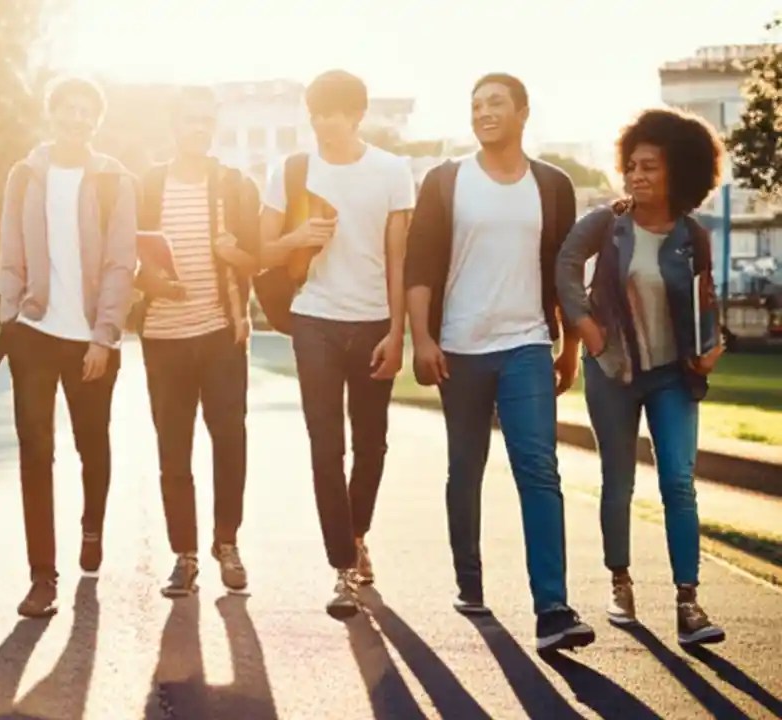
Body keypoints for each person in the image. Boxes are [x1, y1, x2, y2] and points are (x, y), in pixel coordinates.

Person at [405, 73, 594, 652]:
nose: (484, 113)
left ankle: (553, 608)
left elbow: (566, 275)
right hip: (459, 348)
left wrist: (569, 348)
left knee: (538, 468)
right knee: (466, 467)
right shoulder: (445, 181)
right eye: (476, 105)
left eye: (495, 104)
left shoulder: (554, 185)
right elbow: (419, 267)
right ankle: (470, 579)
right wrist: (422, 340)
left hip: (527, 344)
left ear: (522, 112)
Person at [557, 108, 727, 647]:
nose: (636, 176)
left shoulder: (692, 236)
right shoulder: (608, 223)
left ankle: (688, 602)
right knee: (620, 479)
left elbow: (706, 300)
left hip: (672, 376)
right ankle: (620, 583)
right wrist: (585, 326)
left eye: (649, 167)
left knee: (678, 481)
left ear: (679, 171)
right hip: (612, 371)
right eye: (630, 165)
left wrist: (710, 348)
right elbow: (564, 264)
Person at [259, 70, 414, 619]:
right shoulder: (294, 170)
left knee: (371, 444)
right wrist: (295, 240)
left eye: (333, 111)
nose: (323, 121)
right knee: (326, 447)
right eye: (315, 111)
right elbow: (264, 250)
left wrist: (398, 333)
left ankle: (357, 532)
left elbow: (399, 258)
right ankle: (343, 566)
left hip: (374, 322)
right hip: (315, 321)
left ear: (357, 115)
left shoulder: (393, 171)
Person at [0, 75, 137, 618]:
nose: (77, 118)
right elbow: (9, 246)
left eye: (87, 111)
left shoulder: (114, 181)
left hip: (89, 341)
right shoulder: (26, 174)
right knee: (35, 452)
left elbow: (122, 262)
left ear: (96, 121)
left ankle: (93, 525)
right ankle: (42, 576)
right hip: (34, 332)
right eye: (68, 109)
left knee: (92, 445)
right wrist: (10, 312)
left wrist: (104, 334)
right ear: (51, 114)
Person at [134, 86, 261, 598]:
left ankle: (226, 543)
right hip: (163, 336)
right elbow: (123, 257)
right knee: (173, 448)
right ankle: (183, 556)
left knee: (230, 439)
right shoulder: (147, 185)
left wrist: (233, 255)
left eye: (206, 120)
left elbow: (258, 259)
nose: (198, 128)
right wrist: (151, 284)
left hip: (219, 333)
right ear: (173, 126)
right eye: (189, 120)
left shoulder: (233, 185)